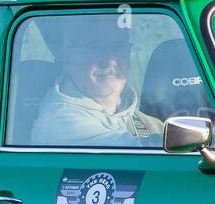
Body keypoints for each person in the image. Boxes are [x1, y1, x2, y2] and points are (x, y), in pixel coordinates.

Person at [30, 17, 164, 147]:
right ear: (67, 57)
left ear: (128, 51)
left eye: (117, 47)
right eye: (94, 48)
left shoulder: (144, 120)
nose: (109, 60)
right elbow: (136, 155)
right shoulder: (58, 124)